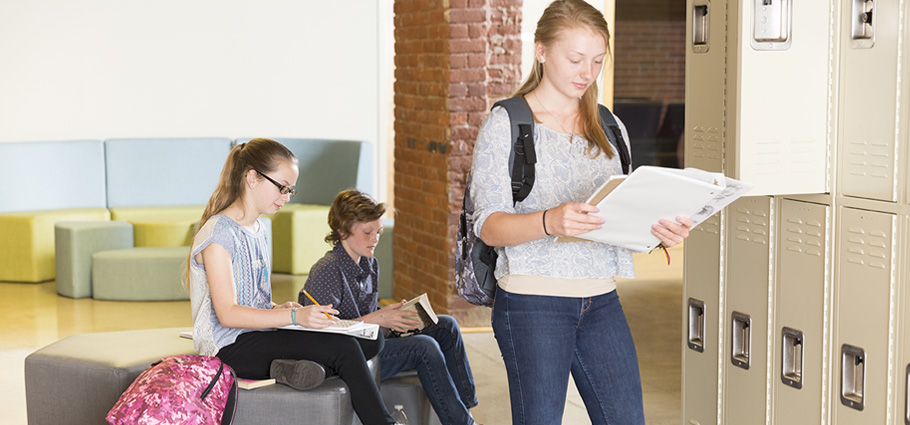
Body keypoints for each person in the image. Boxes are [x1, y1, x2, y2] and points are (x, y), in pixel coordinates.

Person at [469, 1, 694, 424]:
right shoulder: (508, 122)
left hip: (601, 299)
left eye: (596, 60)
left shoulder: (609, 126)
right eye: (574, 59)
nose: (586, 72)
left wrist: (658, 232)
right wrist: (549, 221)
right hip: (532, 303)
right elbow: (488, 226)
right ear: (541, 51)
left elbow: (619, 216)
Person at [186, 138, 397, 425]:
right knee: (345, 350)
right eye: (282, 187)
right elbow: (228, 313)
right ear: (252, 178)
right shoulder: (219, 233)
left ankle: (292, 368)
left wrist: (278, 308)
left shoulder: (260, 229)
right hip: (227, 348)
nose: (287, 197)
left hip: (257, 334)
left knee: (371, 341)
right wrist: (294, 316)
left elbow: (253, 300)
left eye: (290, 189)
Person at [299, 189, 479, 425]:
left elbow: (374, 325)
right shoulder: (327, 270)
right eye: (367, 232)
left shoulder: (370, 263)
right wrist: (379, 318)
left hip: (371, 341)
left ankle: (466, 411)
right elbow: (324, 334)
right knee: (424, 348)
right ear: (342, 231)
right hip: (349, 357)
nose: (375, 239)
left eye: (379, 232)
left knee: (446, 326)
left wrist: (393, 318)